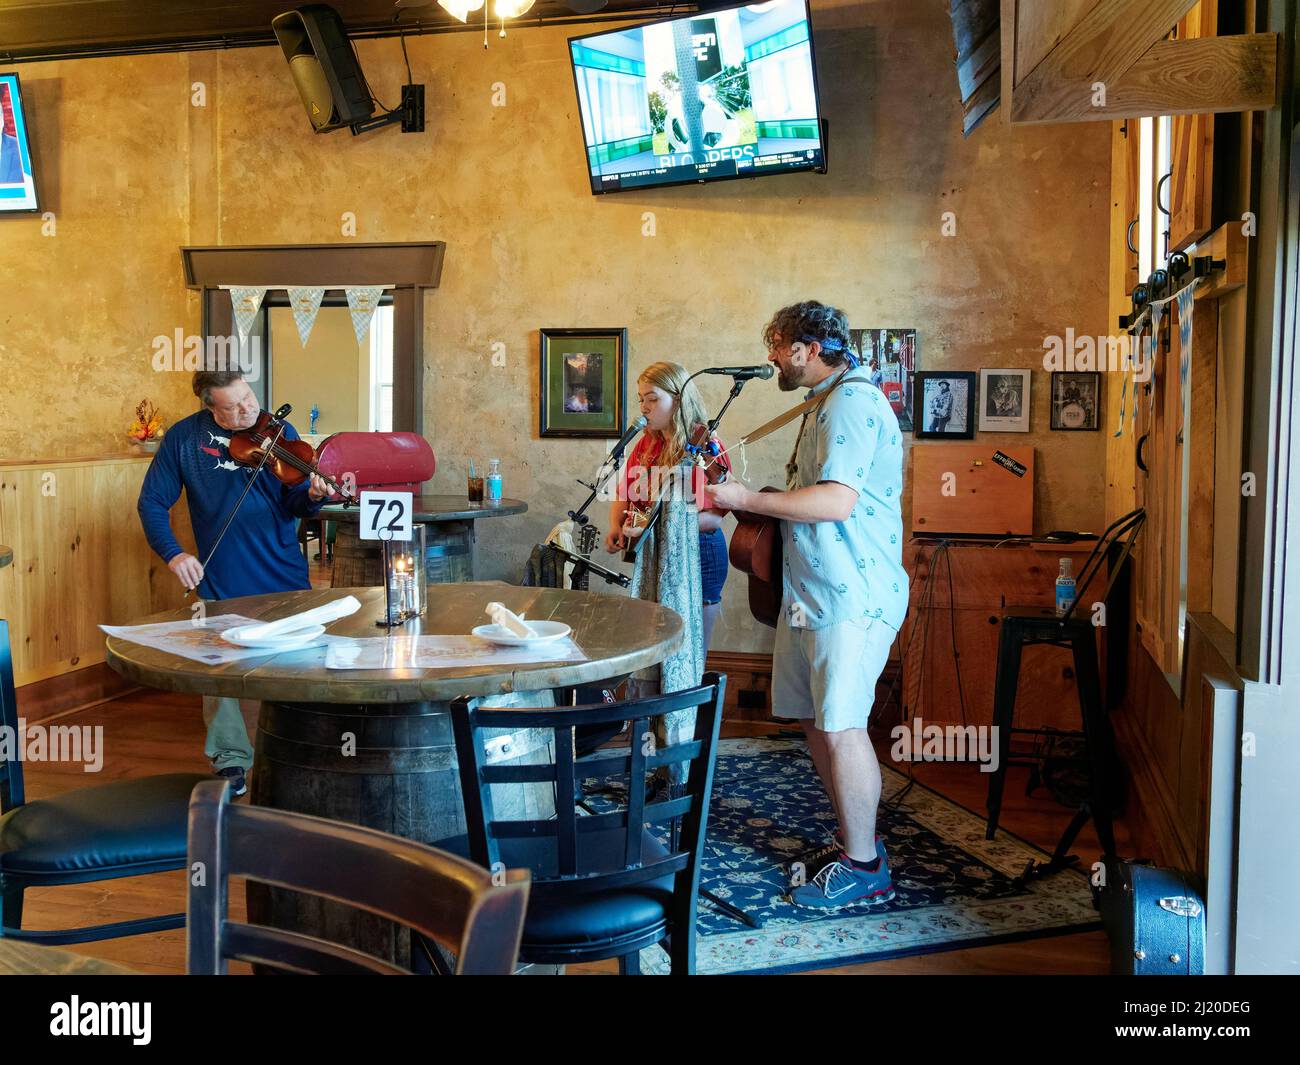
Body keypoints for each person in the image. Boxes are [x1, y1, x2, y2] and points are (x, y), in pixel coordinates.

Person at [705, 301, 908, 909]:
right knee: (813, 718)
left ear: (806, 347)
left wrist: (746, 495)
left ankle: (866, 864)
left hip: (851, 595)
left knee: (842, 724)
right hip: (812, 595)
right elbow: (806, 500)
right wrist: (747, 499)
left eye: (776, 346)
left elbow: (836, 503)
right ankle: (853, 840)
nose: (771, 358)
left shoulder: (850, 401)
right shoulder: (826, 399)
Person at [137, 370, 330, 796]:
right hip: (221, 575)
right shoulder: (184, 440)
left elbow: (293, 500)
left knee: (298, 663)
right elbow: (151, 501)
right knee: (218, 671)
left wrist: (314, 496)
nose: (249, 409)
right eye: (235, 405)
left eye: (249, 397)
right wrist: (174, 553)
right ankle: (231, 761)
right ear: (211, 408)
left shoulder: (277, 429)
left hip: (282, 570)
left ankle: (299, 748)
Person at [606, 361, 729, 652]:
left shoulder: (706, 445)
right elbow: (625, 491)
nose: (644, 408)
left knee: (690, 649)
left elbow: (714, 517)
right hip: (653, 550)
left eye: (653, 399)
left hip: (698, 550)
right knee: (654, 642)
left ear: (678, 400)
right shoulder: (646, 444)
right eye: (641, 400)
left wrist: (653, 526)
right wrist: (616, 524)